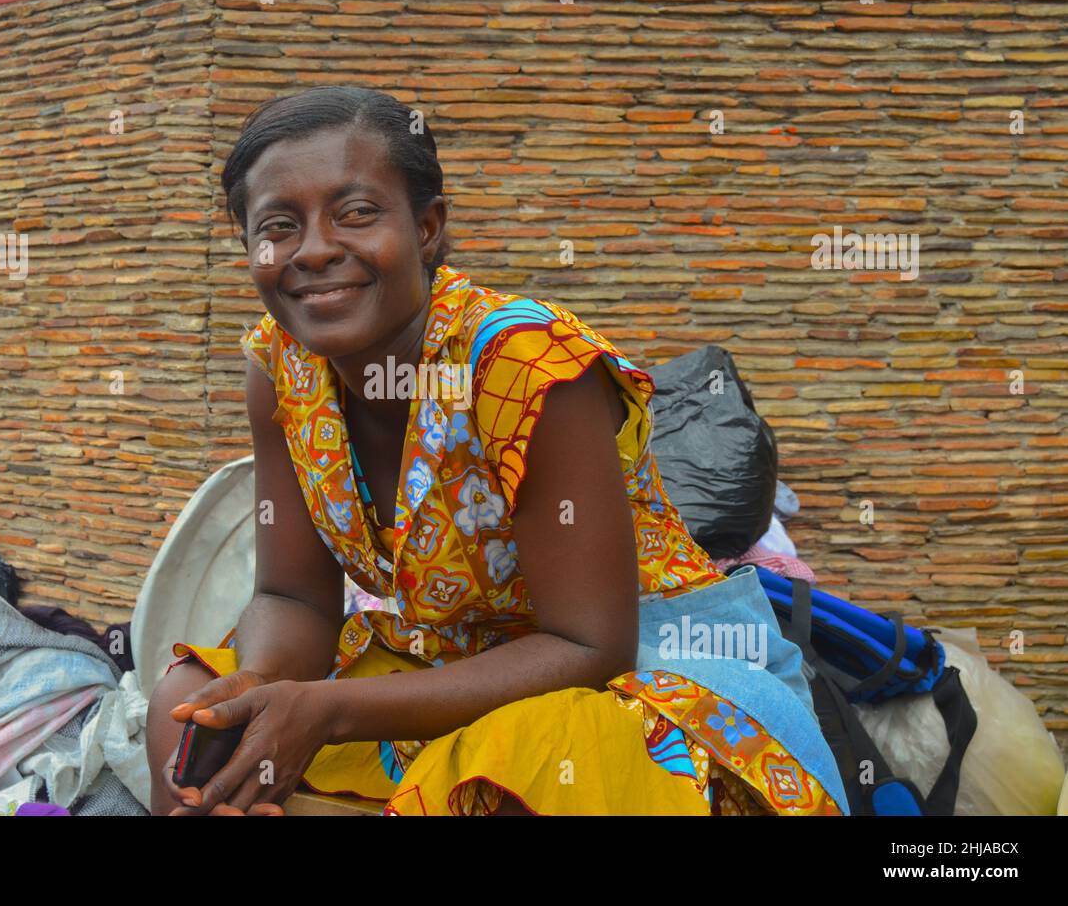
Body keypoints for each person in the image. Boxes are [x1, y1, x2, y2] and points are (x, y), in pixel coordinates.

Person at [146, 86, 848, 816]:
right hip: (447, 657)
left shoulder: (525, 366)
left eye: (355, 213)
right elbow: (292, 596)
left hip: (635, 665)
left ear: (426, 227)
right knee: (186, 706)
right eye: (279, 227)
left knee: (521, 760)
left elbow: (589, 646)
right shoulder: (279, 365)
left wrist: (327, 711)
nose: (316, 249)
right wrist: (261, 691)